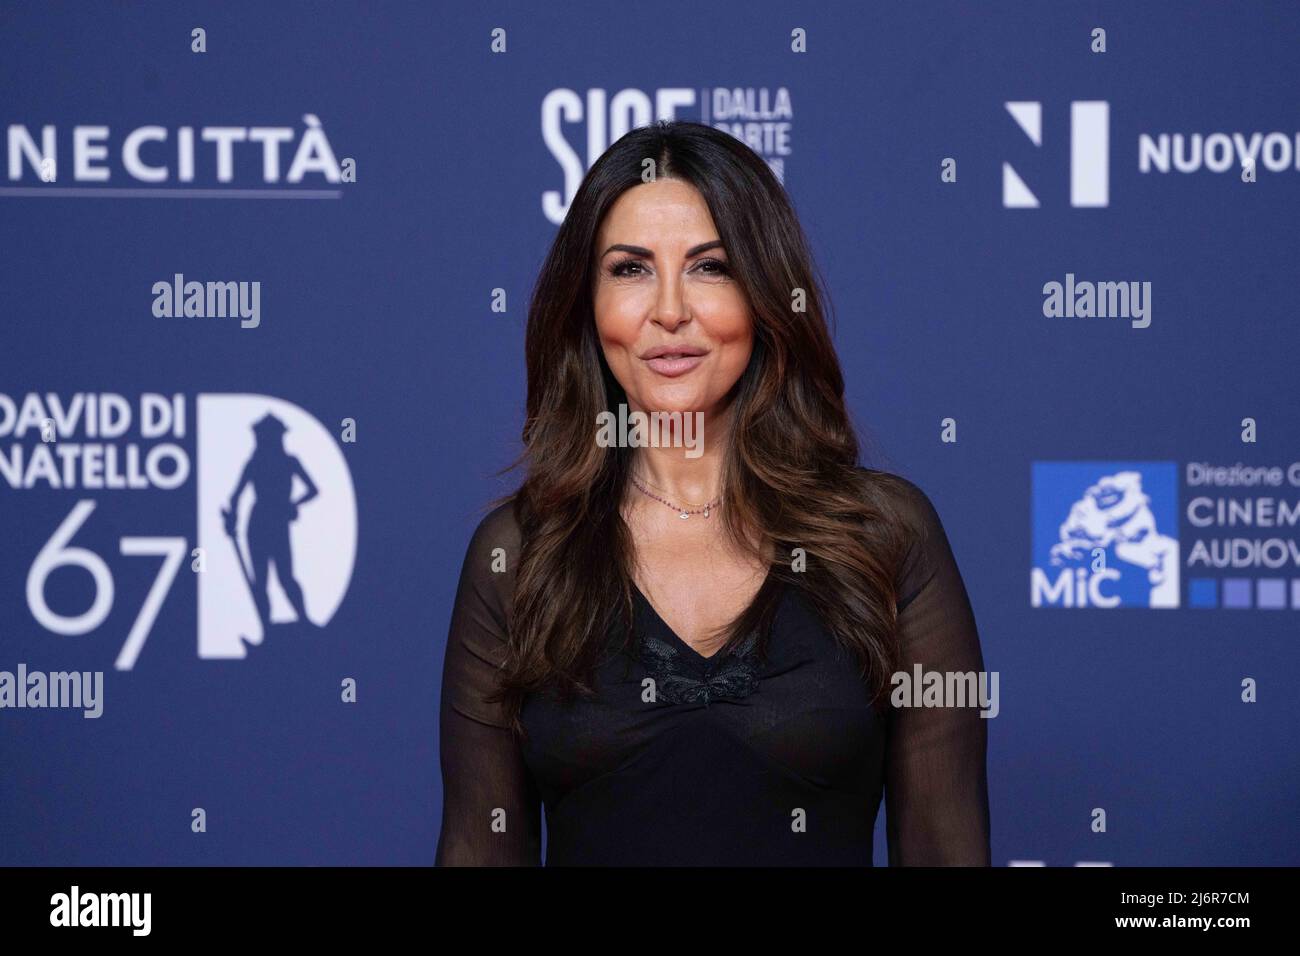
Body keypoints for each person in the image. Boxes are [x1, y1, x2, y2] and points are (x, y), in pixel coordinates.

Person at [436, 120, 989, 866]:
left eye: (710, 267)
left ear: (765, 295)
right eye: (630, 269)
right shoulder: (518, 556)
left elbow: (945, 848)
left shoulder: (887, 537)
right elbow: (477, 847)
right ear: (585, 305)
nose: (669, 311)